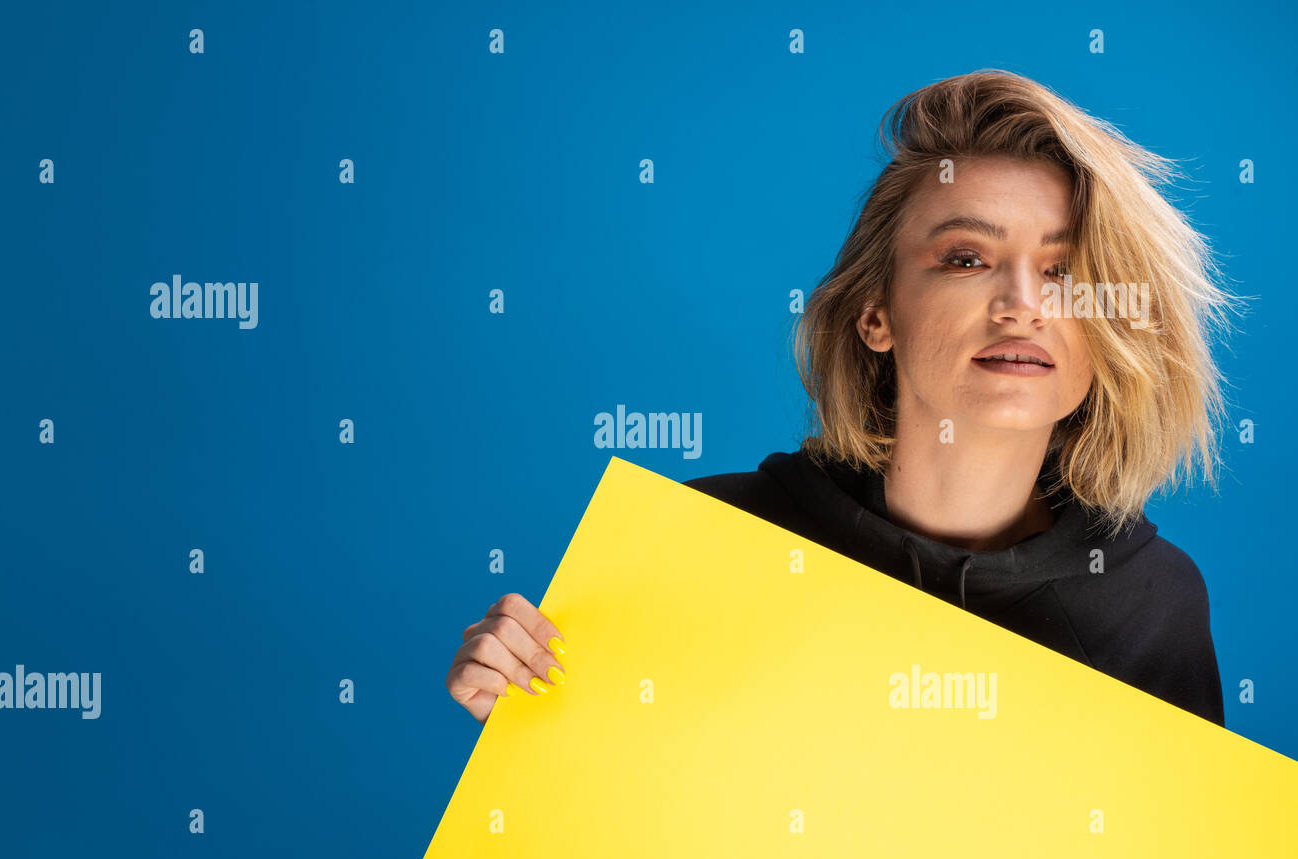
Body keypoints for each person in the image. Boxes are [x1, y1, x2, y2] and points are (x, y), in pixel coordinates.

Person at [446, 69, 1241, 729]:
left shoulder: (1150, 604)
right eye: (967, 258)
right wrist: (521, 710)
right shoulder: (703, 543)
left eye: (1065, 272)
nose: (1023, 303)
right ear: (876, 316)